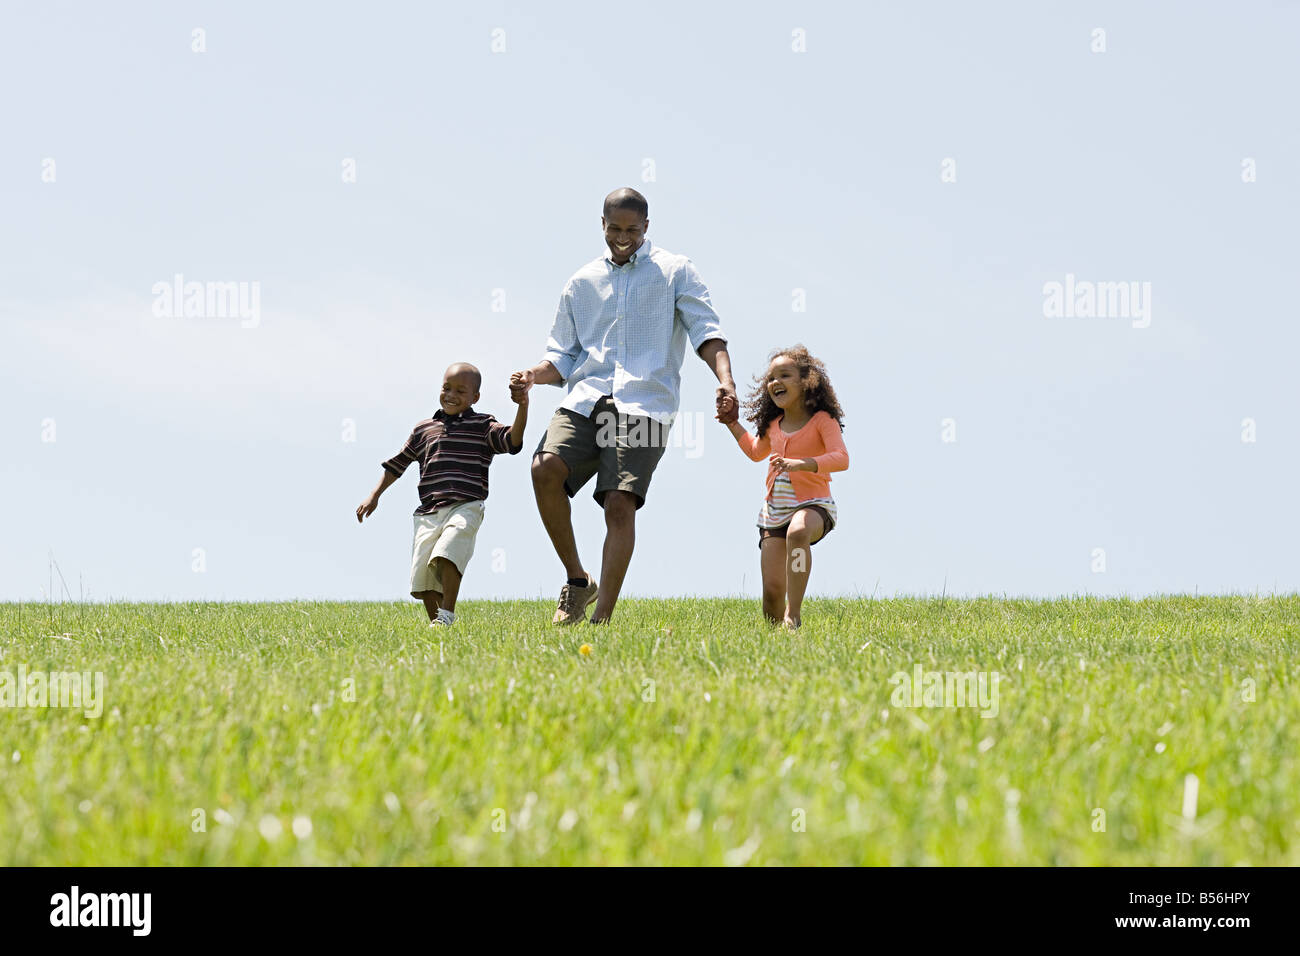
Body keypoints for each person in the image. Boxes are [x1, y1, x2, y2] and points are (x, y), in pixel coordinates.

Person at [511, 187, 737, 625]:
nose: (622, 237)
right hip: (584, 397)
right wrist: (532, 378)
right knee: (544, 468)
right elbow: (561, 355)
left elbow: (707, 332)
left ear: (647, 227)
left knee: (619, 502)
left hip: (646, 405)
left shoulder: (675, 270)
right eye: (614, 229)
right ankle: (578, 581)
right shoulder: (581, 282)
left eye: (632, 230)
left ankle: (602, 622)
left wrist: (725, 381)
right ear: (602, 224)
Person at [355, 362, 528, 627]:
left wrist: (522, 406)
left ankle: (447, 613)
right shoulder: (424, 429)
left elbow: (512, 440)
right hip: (428, 512)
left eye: (460, 391)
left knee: (448, 553)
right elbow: (397, 465)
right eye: (447, 388)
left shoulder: (483, 425)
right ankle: (439, 625)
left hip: (466, 505)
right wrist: (374, 495)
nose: (451, 395)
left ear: (475, 398)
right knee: (422, 577)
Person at [717, 346, 848, 628]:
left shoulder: (823, 421)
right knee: (772, 593)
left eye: (784, 375)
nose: (775, 382)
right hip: (774, 511)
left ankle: (794, 614)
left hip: (813, 504)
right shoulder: (773, 424)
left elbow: (841, 458)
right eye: (771, 378)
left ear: (805, 381)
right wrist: (732, 423)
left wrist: (802, 463)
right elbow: (755, 452)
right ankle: (778, 642)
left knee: (798, 532)